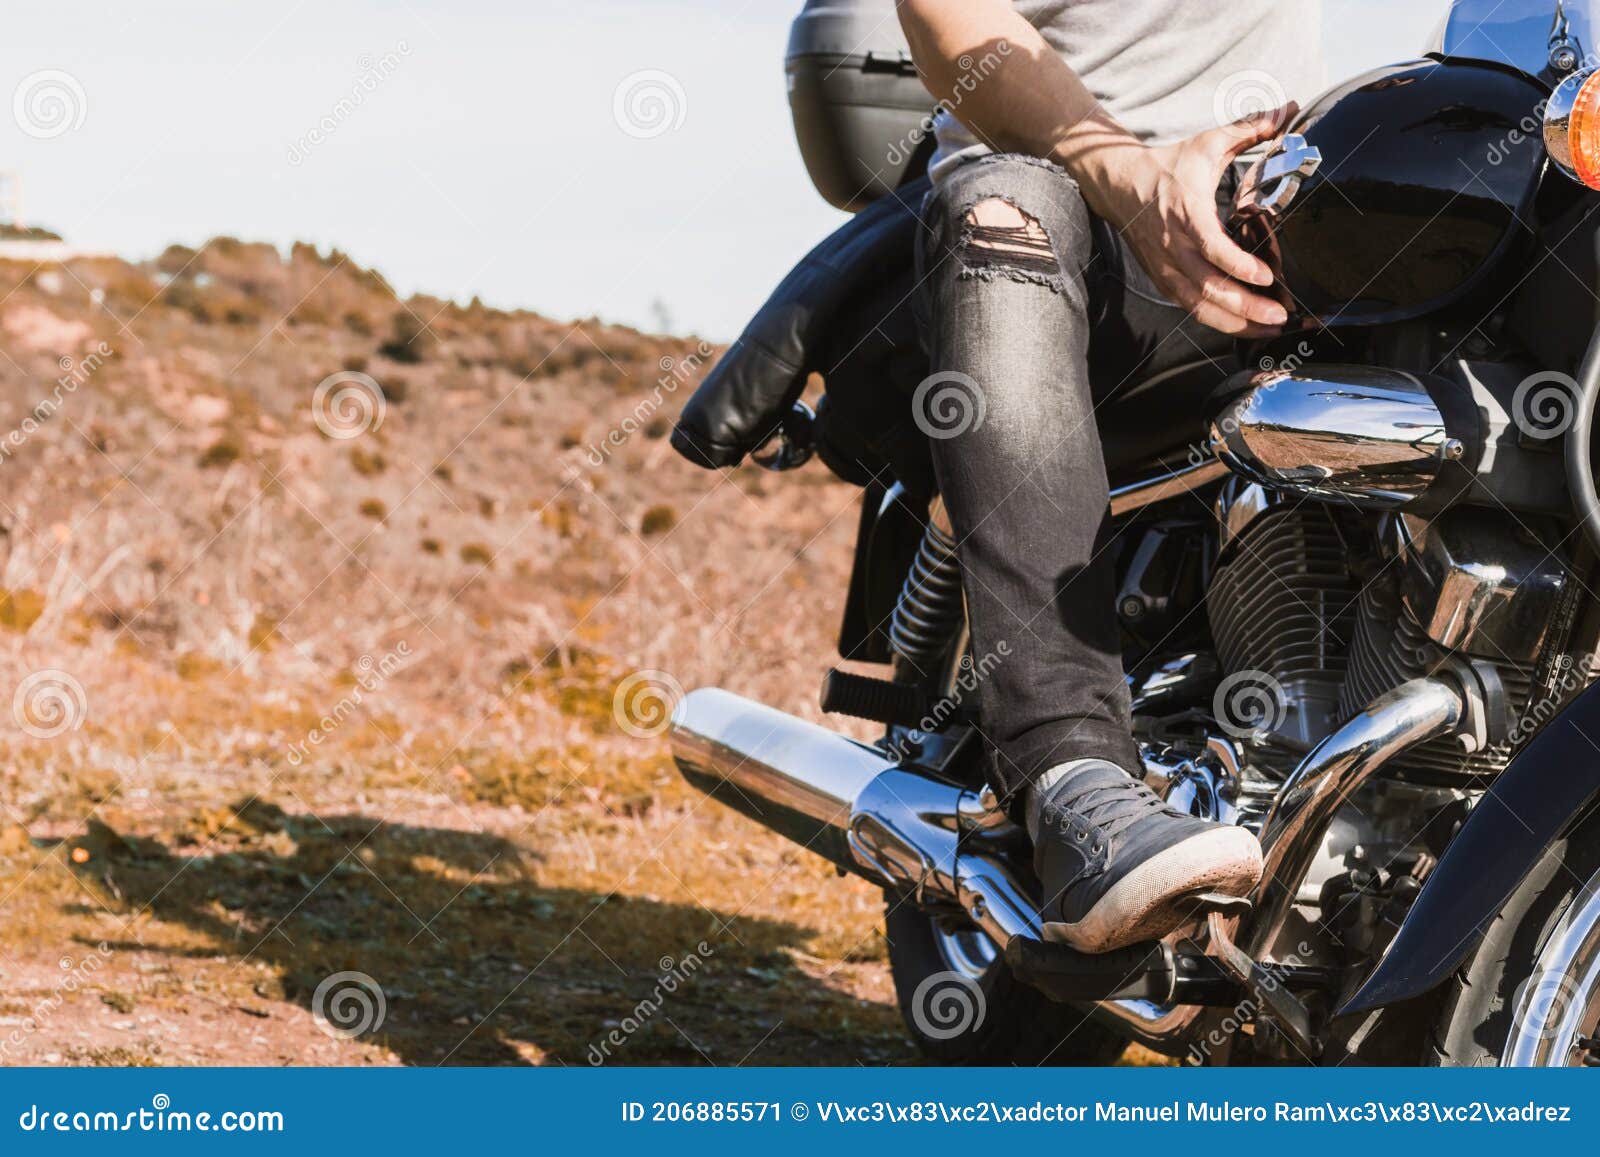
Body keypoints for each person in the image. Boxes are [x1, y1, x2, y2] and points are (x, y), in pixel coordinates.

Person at [895, 0, 1324, 952]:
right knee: (1010, 207)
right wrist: (1132, 178)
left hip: (1272, 216)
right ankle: (1073, 778)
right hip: (1073, 225)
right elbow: (941, 14)